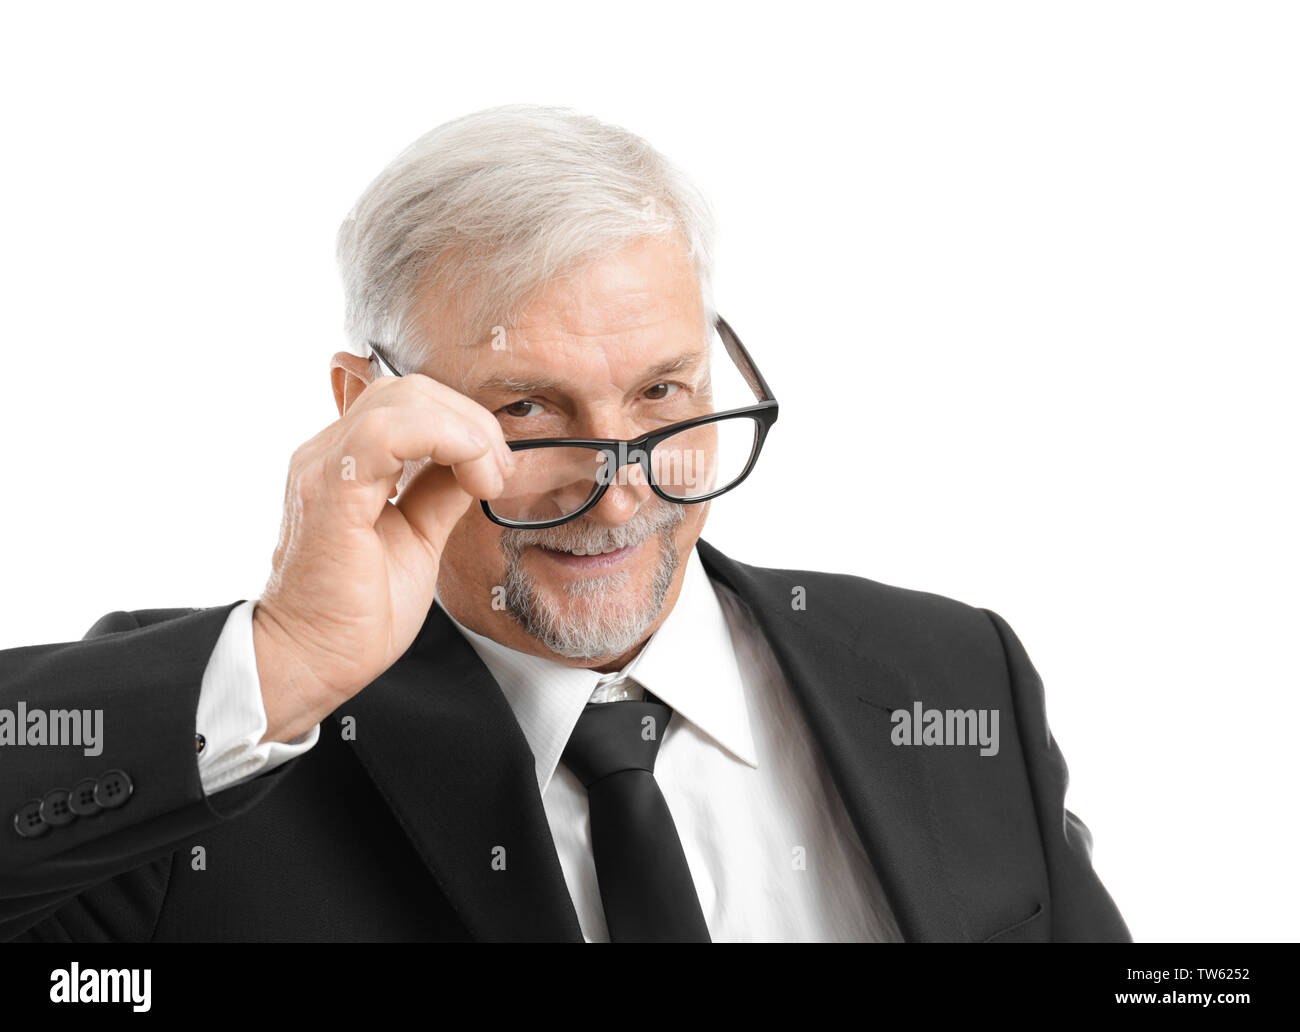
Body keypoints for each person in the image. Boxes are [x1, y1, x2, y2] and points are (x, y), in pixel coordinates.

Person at [0, 105, 1129, 942]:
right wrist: (287, 661)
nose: (621, 488)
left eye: (660, 394)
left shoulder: (950, 671)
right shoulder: (221, 738)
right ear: (369, 408)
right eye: (527, 412)